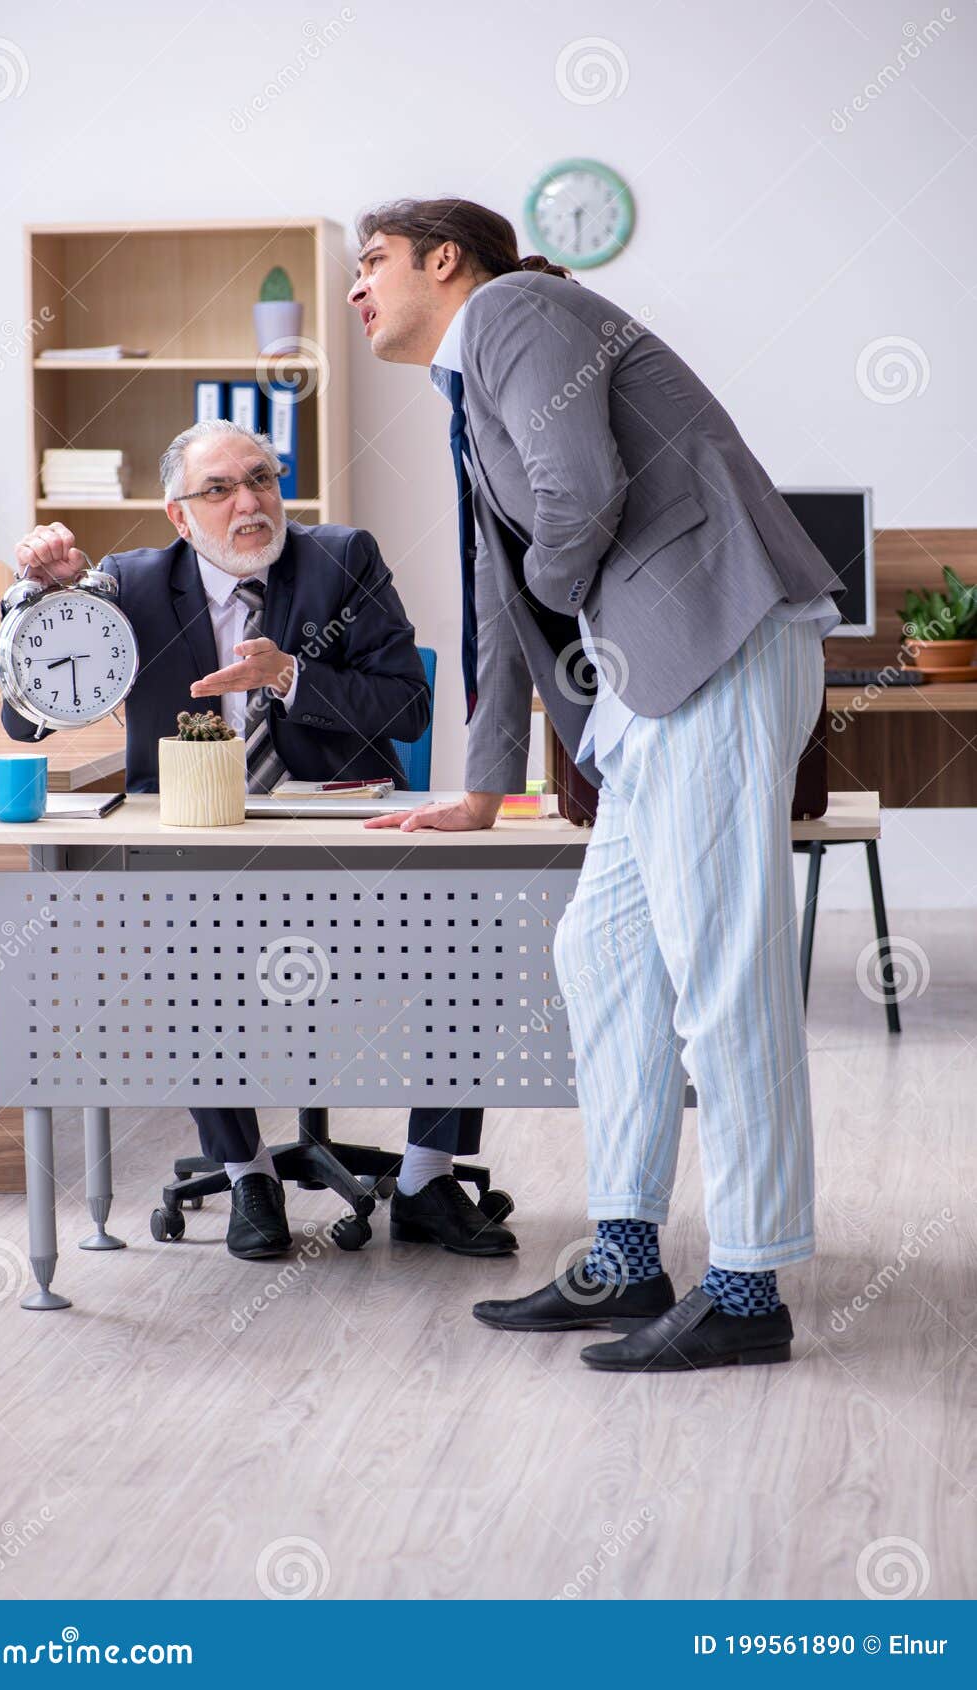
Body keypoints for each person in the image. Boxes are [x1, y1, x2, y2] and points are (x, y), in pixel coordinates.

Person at [349, 198, 842, 1372]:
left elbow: (578, 497)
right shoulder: (470, 391)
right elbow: (498, 607)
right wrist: (481, 786)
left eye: (371, 263)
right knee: (604, 954)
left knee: (723, 973)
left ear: (445, 260)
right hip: (654, 684)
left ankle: (749, 1282)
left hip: (708, 640)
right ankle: (625, 1250)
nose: (358, 290)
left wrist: (573, 600)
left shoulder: (518, 309)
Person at [2, 418, 518, 1265]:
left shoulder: (342, 559)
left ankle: (428, 1180)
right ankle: (246, 1174)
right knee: (177, 956)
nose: (249, 502)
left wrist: (290, 674)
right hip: (196, 854)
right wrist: (42, 603)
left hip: (346, 843)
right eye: (220, 490)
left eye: (263, 479)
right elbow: (24, 721)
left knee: (461, 938)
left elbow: (409, 710)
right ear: (178, 516)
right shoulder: (128, 585)